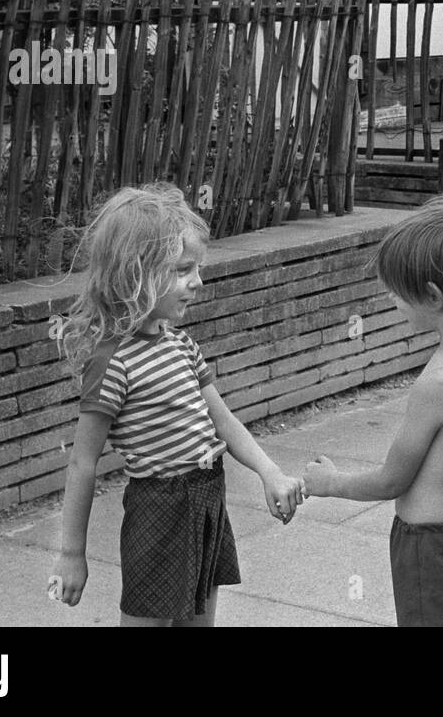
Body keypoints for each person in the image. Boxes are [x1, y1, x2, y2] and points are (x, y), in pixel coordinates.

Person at [49, 183, 303, 626]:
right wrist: (72, 554)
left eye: (197, 268)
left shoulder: (181, 344)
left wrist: (270, 472)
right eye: (184, 269)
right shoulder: (112, 362)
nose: (197, 282)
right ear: (136, 273)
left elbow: (222, 421)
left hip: (207, 498)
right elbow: (82, 463)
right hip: (160, 509)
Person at [304, 194, 443, 626]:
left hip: (433, 550)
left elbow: (391, 480)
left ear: (432, 296)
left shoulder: (439, 381)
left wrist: (330, 483)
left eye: (397, 293)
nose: (392, 301)